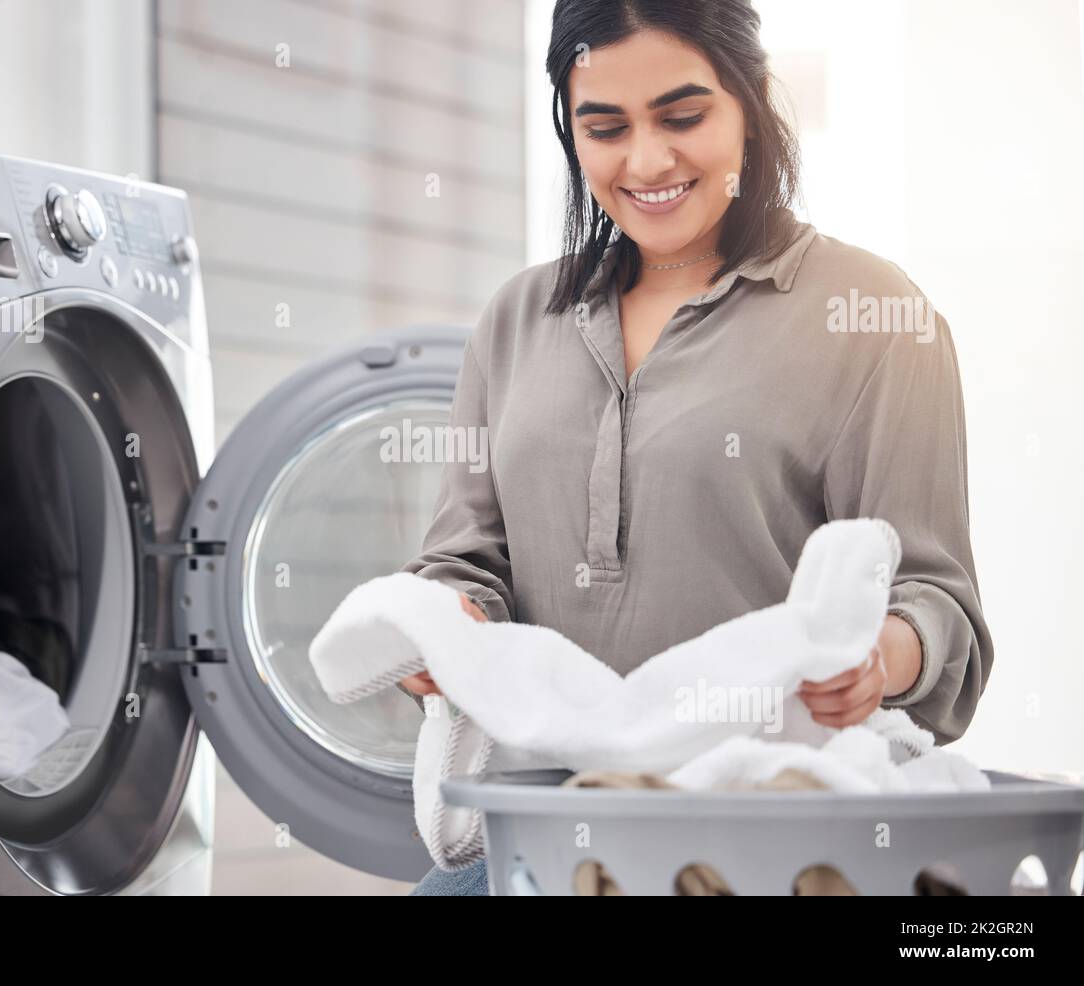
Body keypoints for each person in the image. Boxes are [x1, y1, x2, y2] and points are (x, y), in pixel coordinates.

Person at [400, 0, 993, 896]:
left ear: (751, 104)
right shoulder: (518, 320)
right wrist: (445, 627)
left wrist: (879, 655)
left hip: (771, 842)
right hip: (556, 832)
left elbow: (936, 600)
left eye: (683, 117)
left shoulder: (873, 318)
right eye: (606, 128)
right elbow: (465, 561)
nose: (647, 162)